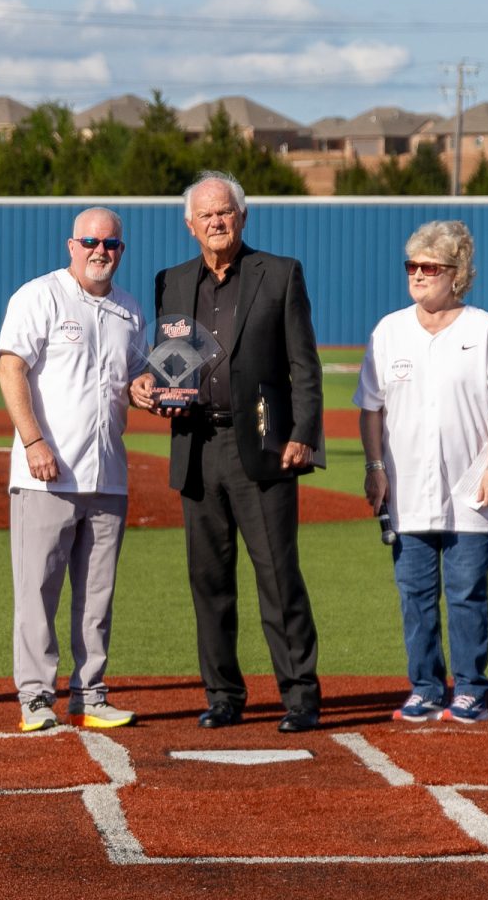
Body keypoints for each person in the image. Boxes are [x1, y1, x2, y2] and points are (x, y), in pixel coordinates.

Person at [129, 171, 325, 734]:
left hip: (262, 444)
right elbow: (168, 363)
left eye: (225, 213)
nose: (217, 222)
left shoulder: (280, 274)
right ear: (190, 225)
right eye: (206, 215)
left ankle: (300, 697)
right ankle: (222, 695)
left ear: (242, 217)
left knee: (278, 578)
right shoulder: (172, 280)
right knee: (209, 581)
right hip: (196, 445)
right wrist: (148, 389)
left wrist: (303, 432)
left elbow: (303, 366)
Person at [354, 220, 488, 725]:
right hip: (405, 487)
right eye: (413, 266)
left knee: (468, 590)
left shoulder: (483, 328)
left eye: (430, 267)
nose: (419, 274)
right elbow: (370, 409)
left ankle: (471, 688)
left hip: (472, 482)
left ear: (457, 274)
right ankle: (425, 686)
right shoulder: (390, 330)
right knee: (415, 593)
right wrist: (374, 468)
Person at [0, 207, 145, 733]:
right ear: (72, 245)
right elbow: (10, 366)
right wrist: (32, 440)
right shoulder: (40, 296)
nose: (101, 251)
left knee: (97, 595)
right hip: (47, 474)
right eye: (91, 241)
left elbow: (132, 381)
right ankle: (36, 696)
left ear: (121, 250)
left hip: (108, 475)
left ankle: (90, 693)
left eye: (111, 244)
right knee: (38, 589)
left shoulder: (129, 311)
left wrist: (145, 390)